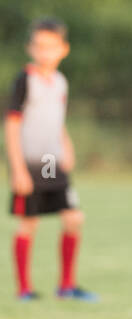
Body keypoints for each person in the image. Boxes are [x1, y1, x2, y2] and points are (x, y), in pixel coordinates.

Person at [6, 18, 95, 301]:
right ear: (30, 49)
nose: (45, 52)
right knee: (29, 223)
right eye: (39, 46)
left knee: (73, 217)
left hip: (53, 162)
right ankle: (24, 290)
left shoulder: (60, 82)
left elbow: (56, 121)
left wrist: (66, 146)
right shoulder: (25, 80)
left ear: (63, 49)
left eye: (51, 47)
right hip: (31, 163)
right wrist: (17, 168)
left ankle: (66, 286)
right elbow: (11, 125)